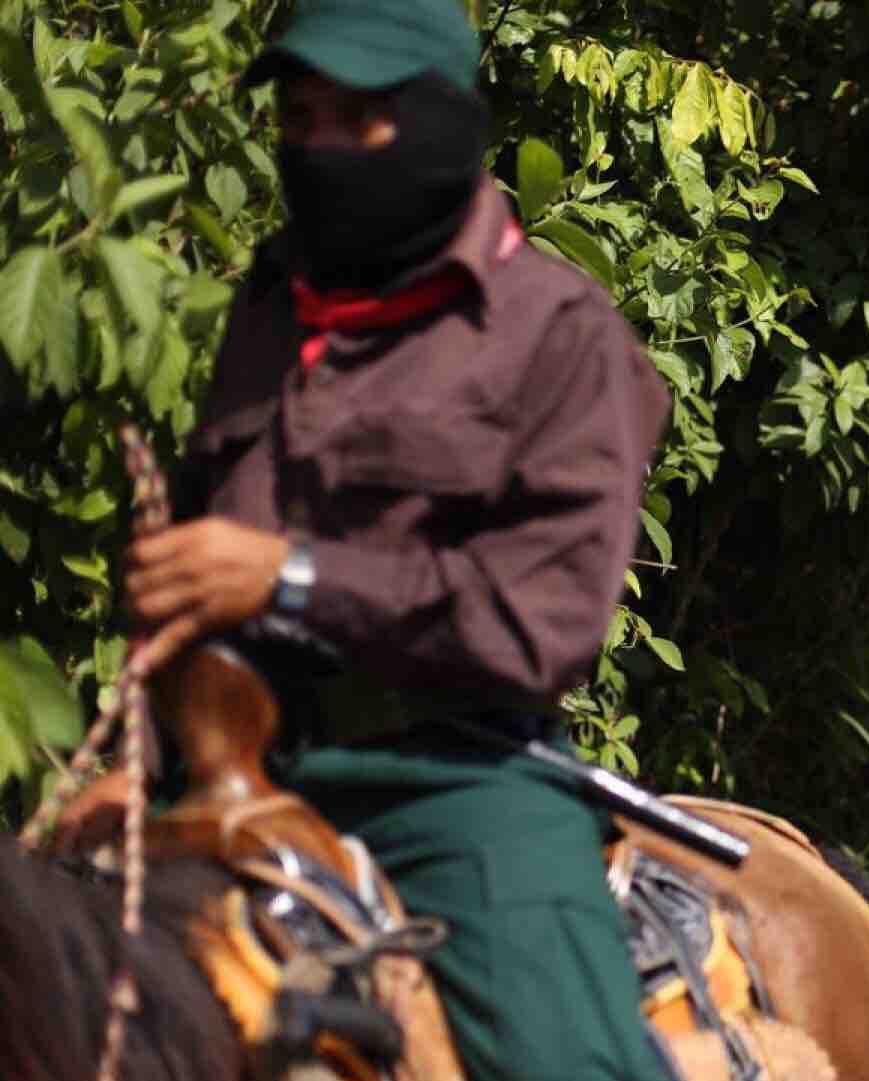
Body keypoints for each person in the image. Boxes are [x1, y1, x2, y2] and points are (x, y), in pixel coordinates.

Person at [74, 2, 683, 1078]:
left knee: (563, 1060)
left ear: (444, 119)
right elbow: (191, 587)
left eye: (357, 118)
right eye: (298, 116)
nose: (318, 147)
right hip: (228, 772)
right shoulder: (268, 308)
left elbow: (544, 622)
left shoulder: (560, 333)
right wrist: (139, 760)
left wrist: (292, 577)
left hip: (455, 786)